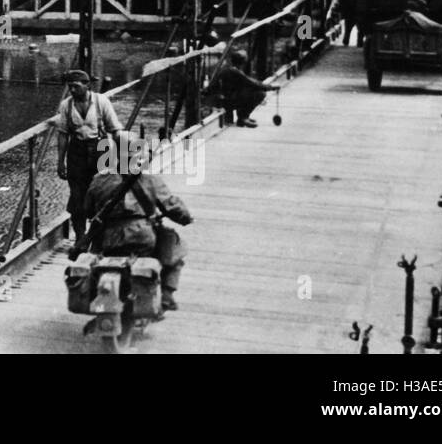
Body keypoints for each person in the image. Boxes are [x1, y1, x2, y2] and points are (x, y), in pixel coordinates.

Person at [84, 153, 193, 312]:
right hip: (142, 236)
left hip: (108, 238)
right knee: (174, 246)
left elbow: (88, 210)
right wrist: (186, 218)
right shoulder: (149, 179)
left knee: (97, 261)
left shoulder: (100, 179)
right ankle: (167, 295)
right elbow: (172, 206)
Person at [54, 70, 124, 243]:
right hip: (76, 151)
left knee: (102, 192)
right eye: (70, 87)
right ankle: (80, 236)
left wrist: (125, 156)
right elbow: (63, 134)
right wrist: (60, 161)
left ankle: (99, 234)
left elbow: (115, 130)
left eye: (76, 87)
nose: (72, 90)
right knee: (77, 196)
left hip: (100, 148)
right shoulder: (66, 106)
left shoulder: (101, 102)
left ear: (87, 86)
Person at [207, 50, 280, 128]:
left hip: (225, 98)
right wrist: (270, 87)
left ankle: (242, 118)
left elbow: (251, 81)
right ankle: (243, 117)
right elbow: (252, 83)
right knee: (260, 93)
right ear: (242, 62)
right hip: (228, 100)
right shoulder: (235, 71)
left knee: (246, 92)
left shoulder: (228, 69)